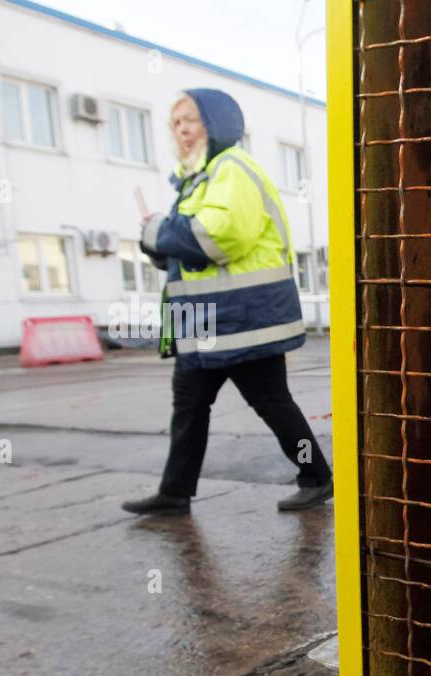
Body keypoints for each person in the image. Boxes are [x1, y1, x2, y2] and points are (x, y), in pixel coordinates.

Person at [121, 89, 333, 516]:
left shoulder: (231, 169)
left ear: (217, 124)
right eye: (175, 122)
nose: (182, 129)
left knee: (272, 404)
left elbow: (218, 238)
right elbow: (186, 255)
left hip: (243, 319)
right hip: (204, 323)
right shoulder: (196, 180)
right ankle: (174, 492)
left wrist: (161, 230)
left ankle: (317, 477)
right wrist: (157, 242)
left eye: (191, 120)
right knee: (189, 406)